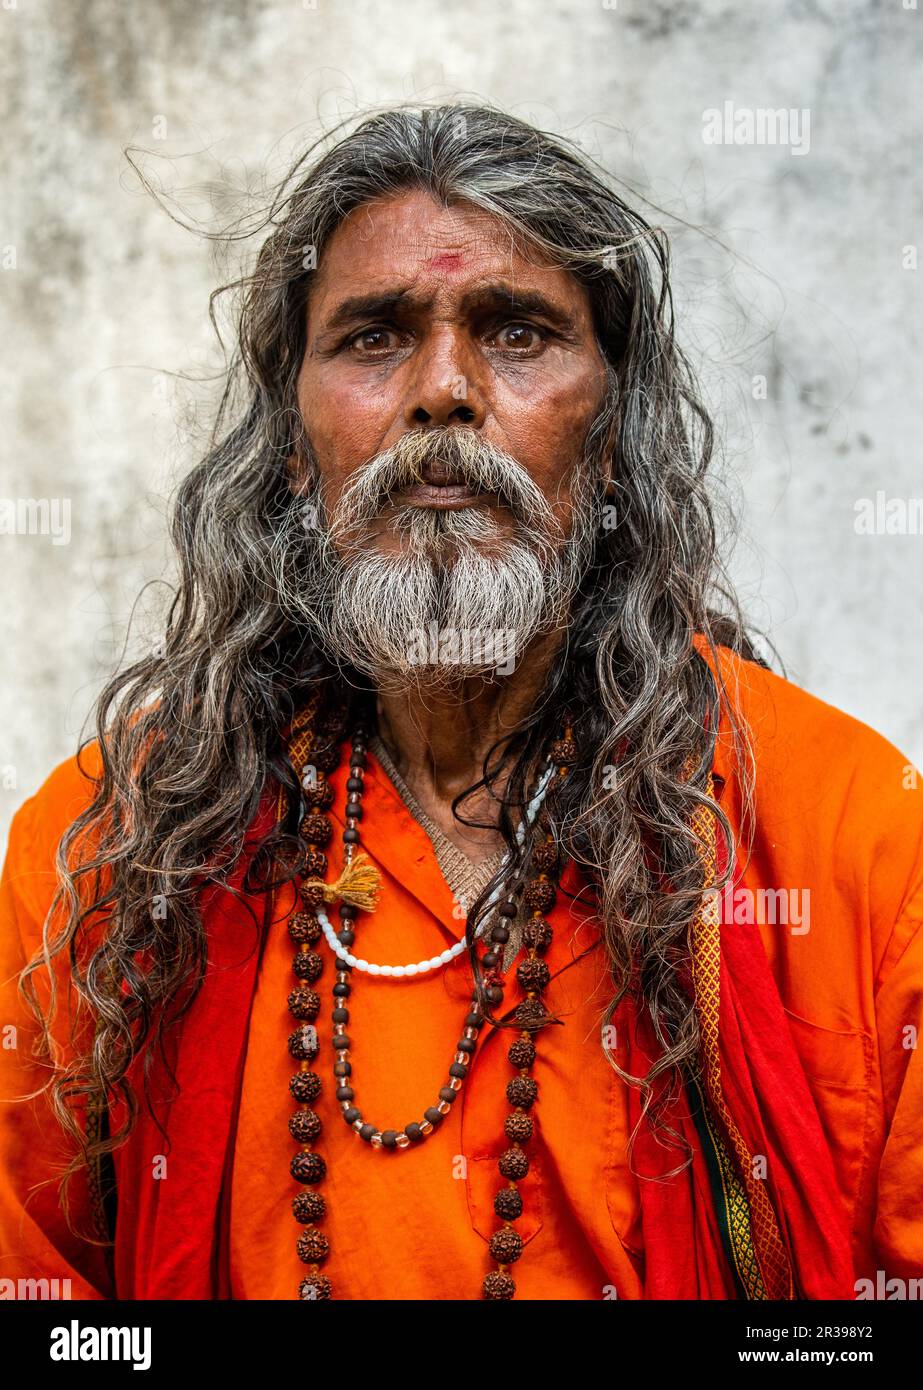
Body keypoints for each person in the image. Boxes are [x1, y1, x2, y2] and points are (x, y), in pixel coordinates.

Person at [1, 103, 920, 1303]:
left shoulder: (850, 836)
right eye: (374, 337)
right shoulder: (108, 849)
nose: (443, 390)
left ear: (611, 439)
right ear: (291, 439)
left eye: (518, 333)